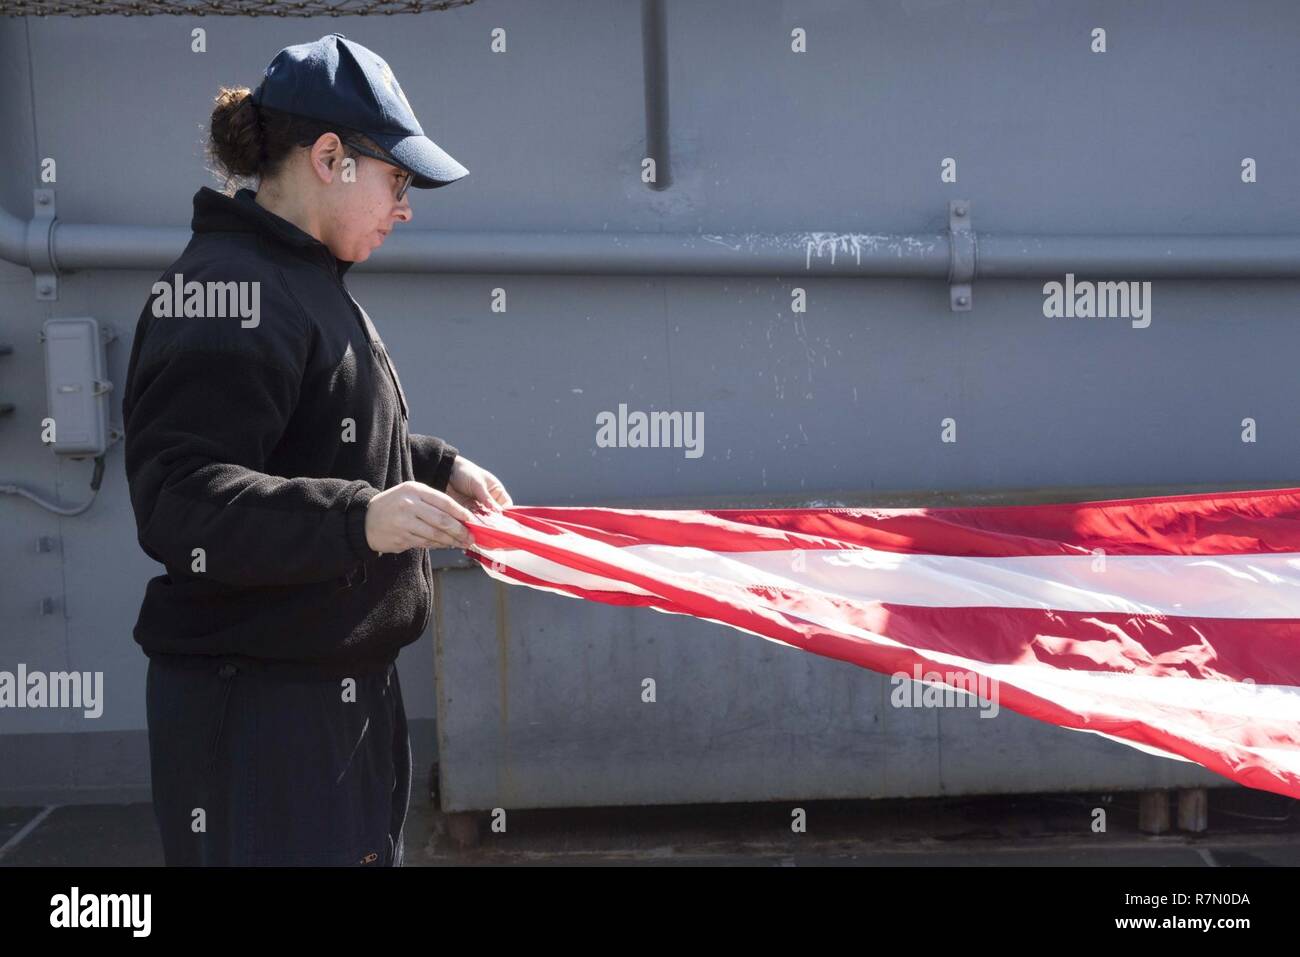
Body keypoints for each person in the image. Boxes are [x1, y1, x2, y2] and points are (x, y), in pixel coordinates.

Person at [121, 33, 511, 866]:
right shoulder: (227, 292)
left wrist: (433, 465)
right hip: (264, 716)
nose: (404, 206)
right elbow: (181, 497)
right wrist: (362, 517)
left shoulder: (299, 278)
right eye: (397, 179)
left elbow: (321, 430)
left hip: (331, 698)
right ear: (329, 156)